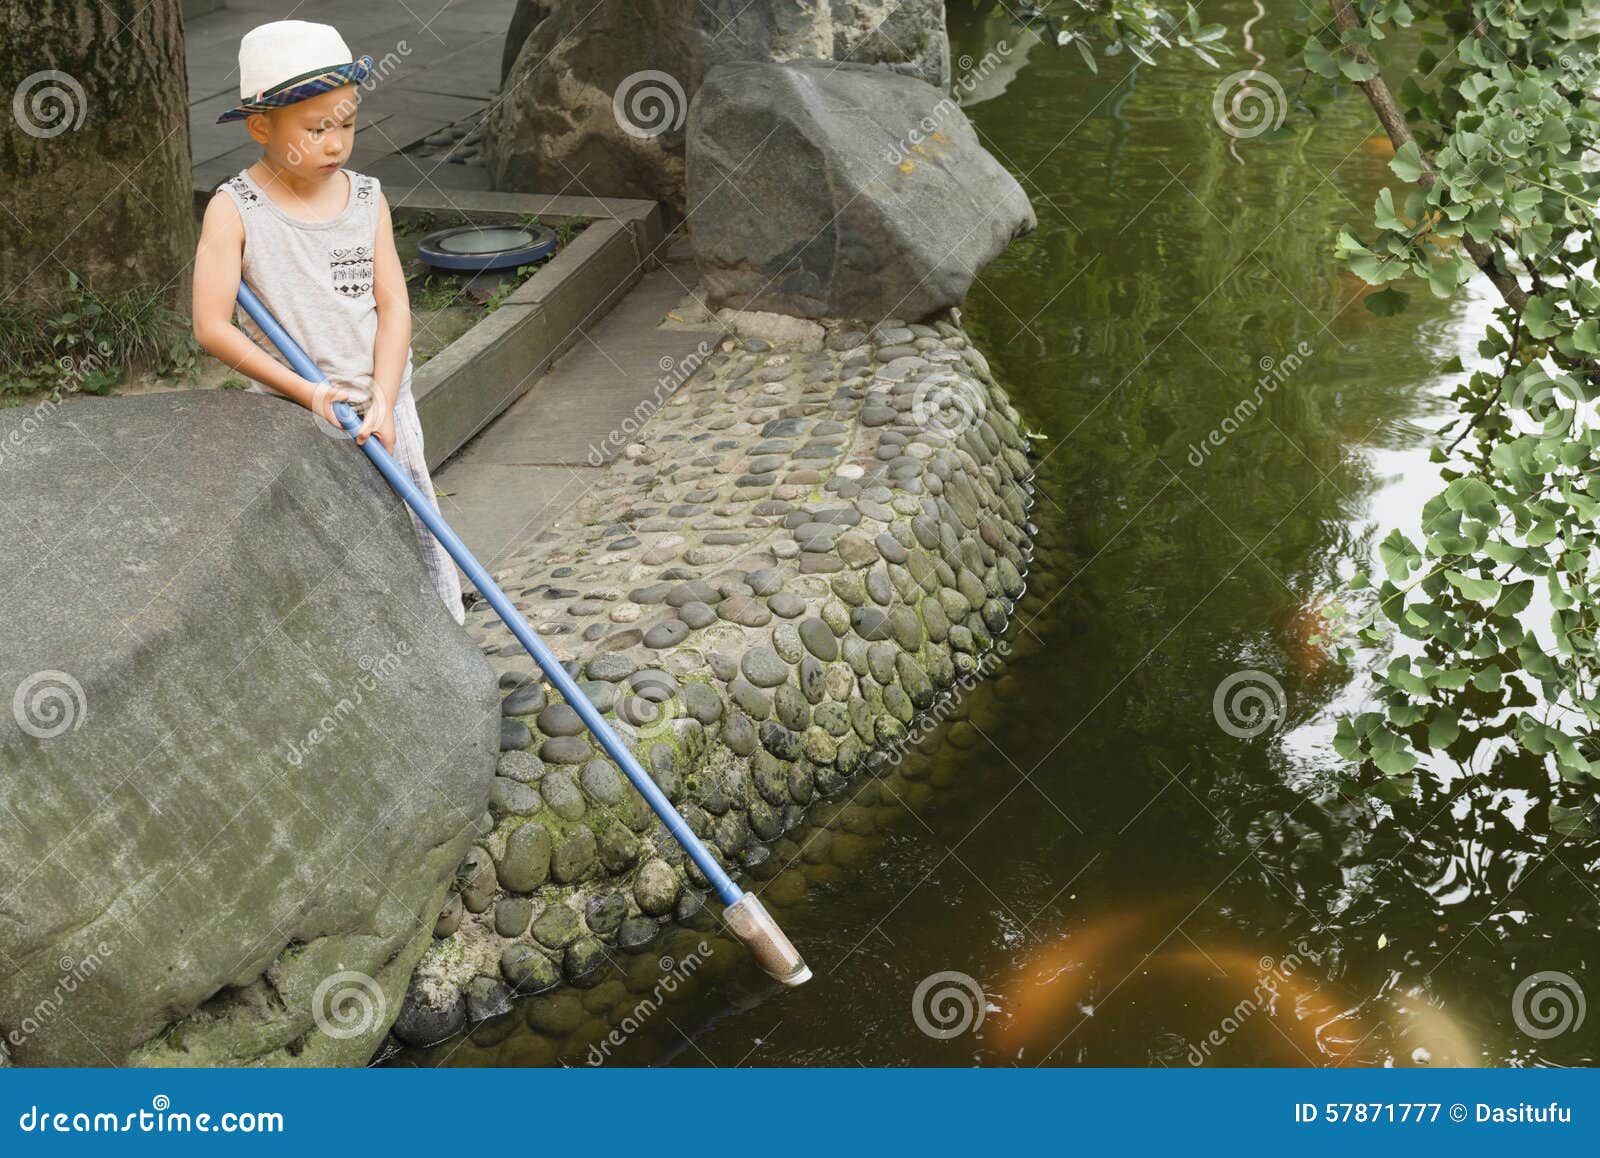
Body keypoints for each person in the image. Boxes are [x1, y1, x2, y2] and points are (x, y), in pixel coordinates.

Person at [192, 19, 464, 625]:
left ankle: (441, 648)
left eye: (346, 124)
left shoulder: (366, 199)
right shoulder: (235, 210)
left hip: (384, 403)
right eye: (316, 129)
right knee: (333, 548)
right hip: (295, 411)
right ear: (261, 127)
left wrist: (385, 398)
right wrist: (308, 392)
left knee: (417, 530)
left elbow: (394, 305)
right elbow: (211, 326)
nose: (336, 144)